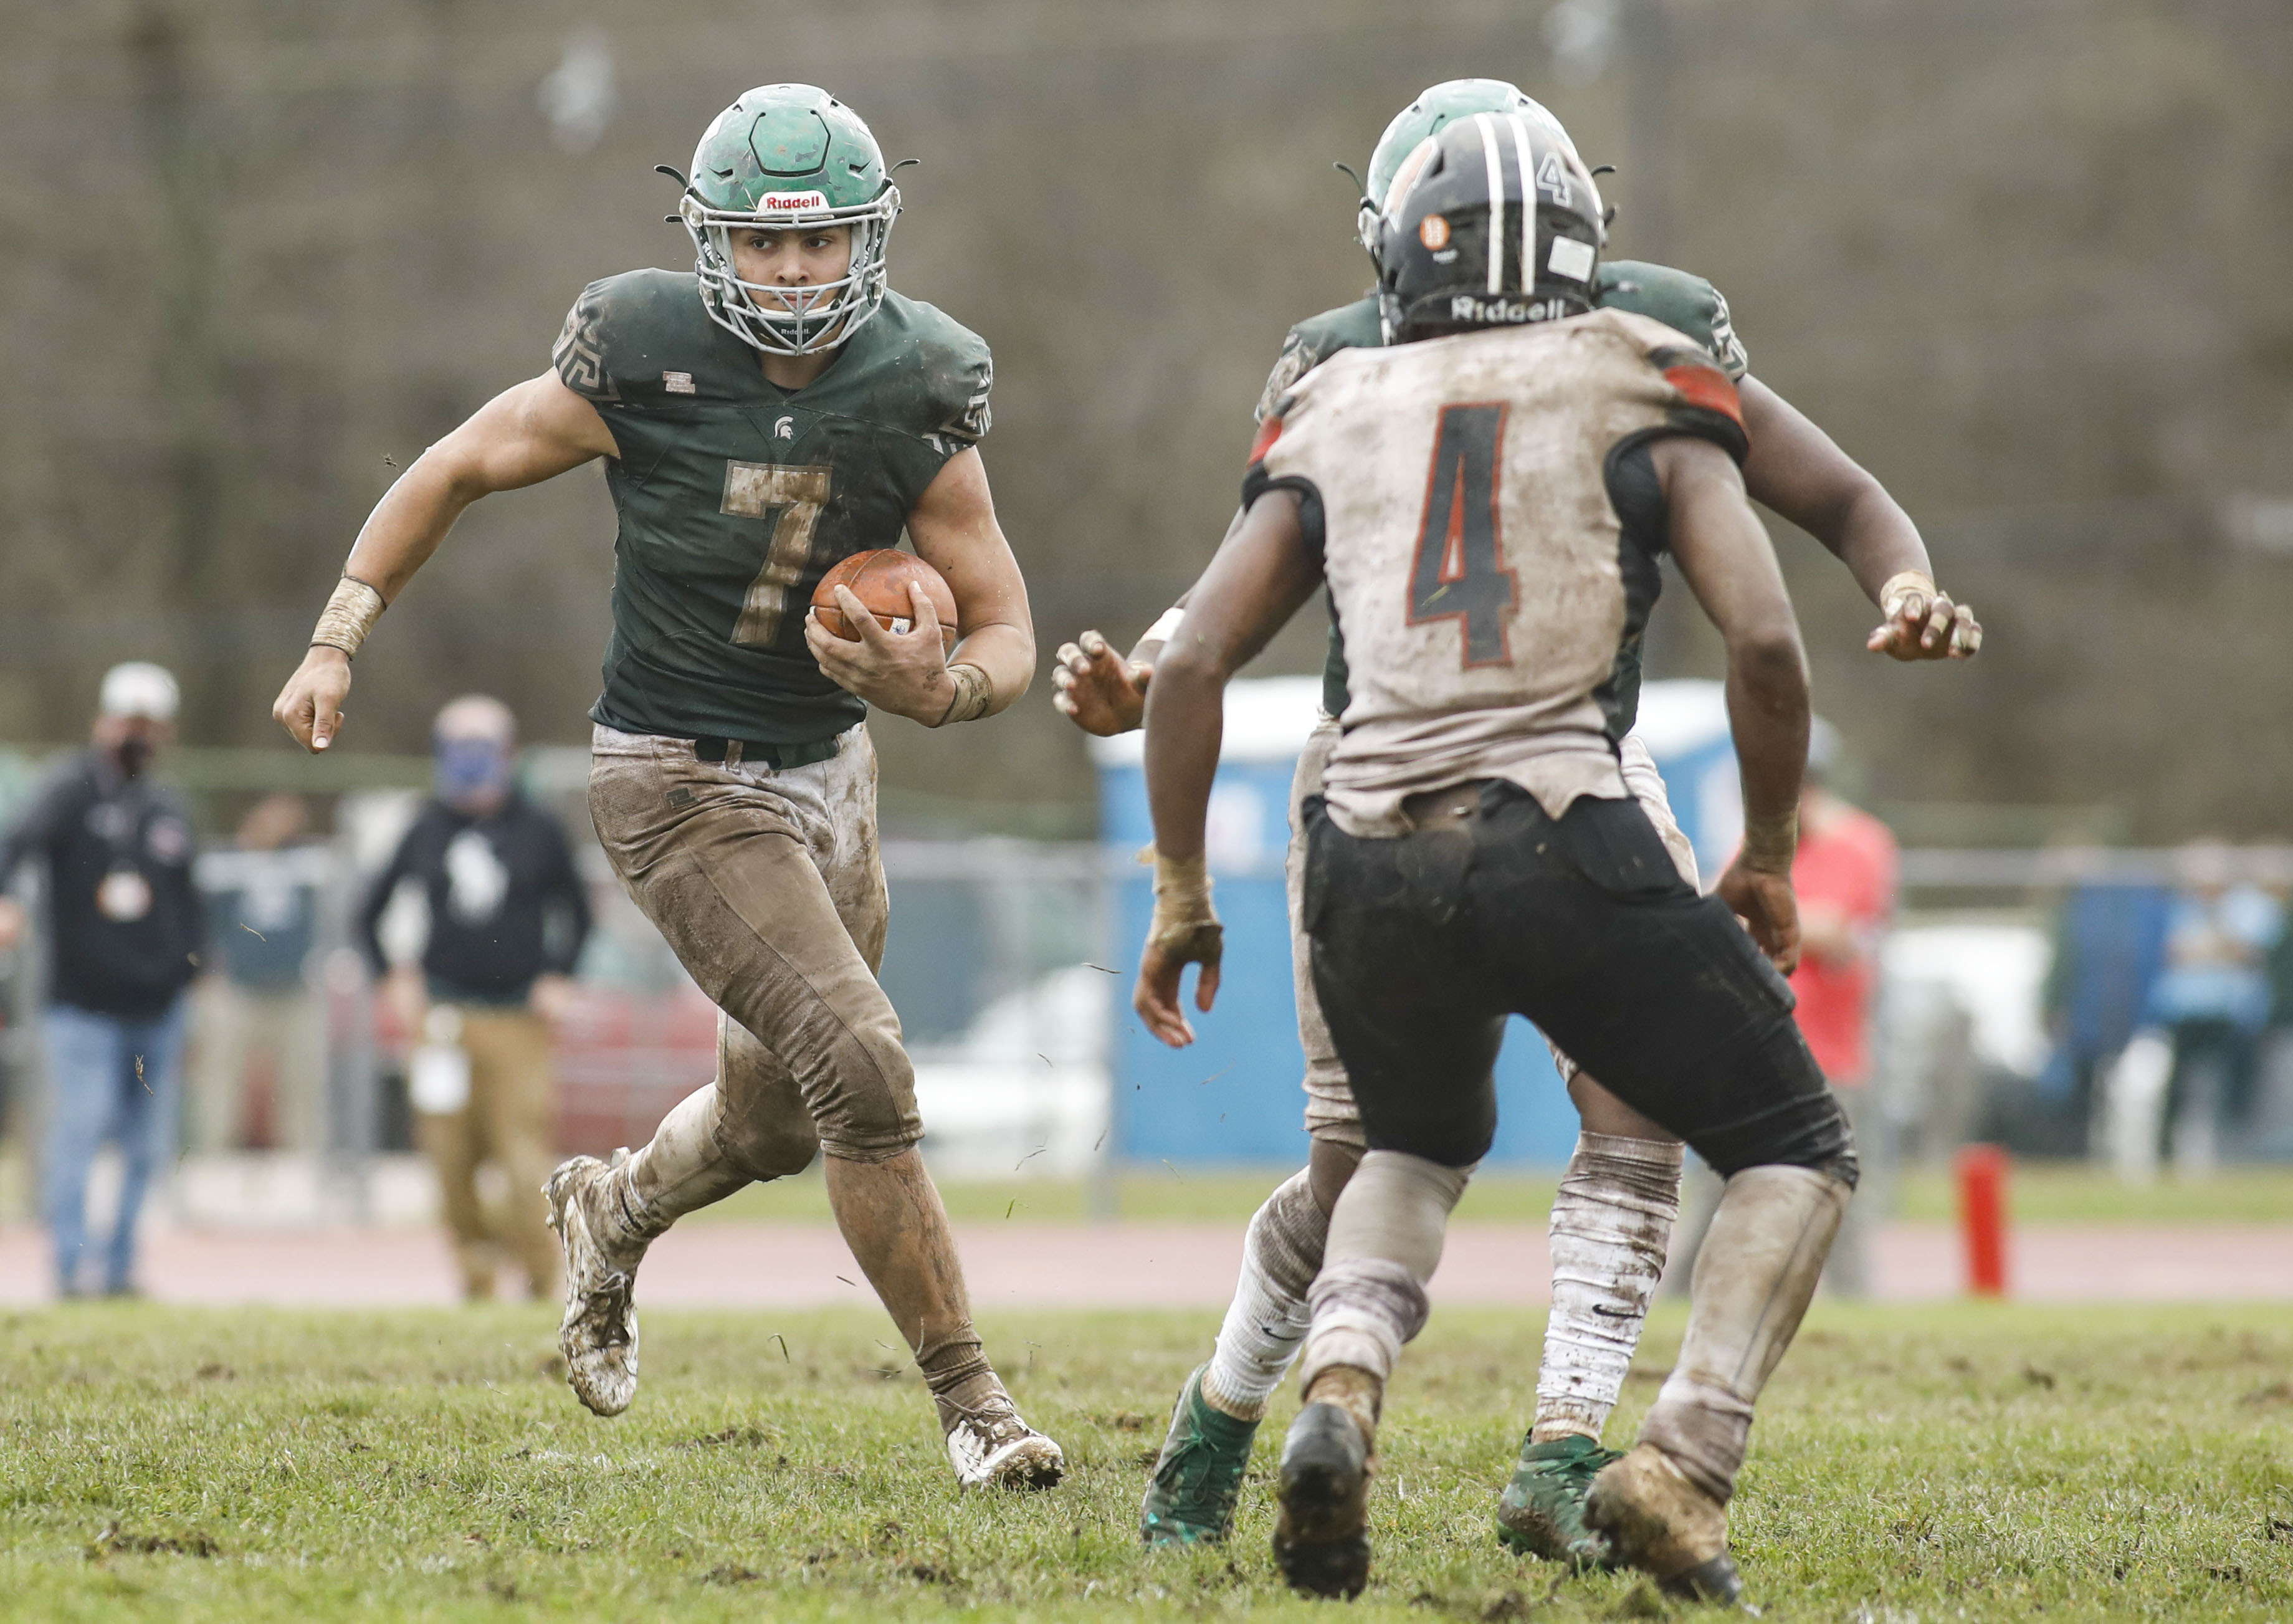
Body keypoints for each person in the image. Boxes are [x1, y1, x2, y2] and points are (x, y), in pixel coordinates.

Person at [1055, 80, 1978, 1562]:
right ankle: (1230, 1420)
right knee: (1476, 1146)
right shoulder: (1635, 359)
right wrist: (1769, 844)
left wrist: (1174, 849)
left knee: (1534, 1135)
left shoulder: (1338, 380)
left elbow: (1222, 620)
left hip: (1383, 819)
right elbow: (1762, 632)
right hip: (1557, 805)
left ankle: (1513, 1440)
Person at [270, 85, 1062, 1488]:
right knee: (864, 1068)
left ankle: (615, 1211)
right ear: (712, 244)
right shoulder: (638, 350)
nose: (794, 273)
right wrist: (341, 632)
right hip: (678, 778)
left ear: (871, 243)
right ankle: (977, 1404)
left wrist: (944, 691)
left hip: (834, 773)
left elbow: (1006, 626)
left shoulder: (920, 378)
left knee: (774, 1121)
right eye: (762, 246)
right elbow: (458, 465)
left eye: (820, 248)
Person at [357, 697, 591, 1301]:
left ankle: (542, 1277)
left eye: (480, 745)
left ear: (508, 753)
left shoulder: (538, 827)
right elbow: (369, 912)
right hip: (441, 1019)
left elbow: (580, 910)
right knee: (447, 1156)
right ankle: (476, 1273)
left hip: (517, 1019)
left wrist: (559, 973)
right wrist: (393, 975)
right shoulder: (425, 824)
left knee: (521, 1159)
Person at [0, 662, 205, 1298]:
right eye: (127, 722)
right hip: (83, 1005)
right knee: (80, 1130)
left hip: (157, 1005)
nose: (135, 736)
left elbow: (191, 903)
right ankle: (69, 1267)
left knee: (145, 1146)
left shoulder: (170, 805)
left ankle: (118, 1269)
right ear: (102, 721)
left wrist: (196, 976)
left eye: (148, 725)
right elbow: (14, 844)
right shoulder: (68, 789)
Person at [189, 793, 330, 1154]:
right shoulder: (226, 863)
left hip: (295, 989)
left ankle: (305, 1163)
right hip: (238, 988)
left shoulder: (307, 862)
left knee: (303, 1084)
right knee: (220, 1082)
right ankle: (213, 1159)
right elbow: (201, 923)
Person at [2143, 839, 2281, 1167]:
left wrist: (2212, 940)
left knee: (2232, 1089)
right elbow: (2172, 952)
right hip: (2186, 1012)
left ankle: (2233, 1155)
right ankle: (2167, 1155)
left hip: (2232, 1013)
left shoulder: (2249, 906)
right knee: (2178, 1087)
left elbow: (2247, 952)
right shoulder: (2178, 907)